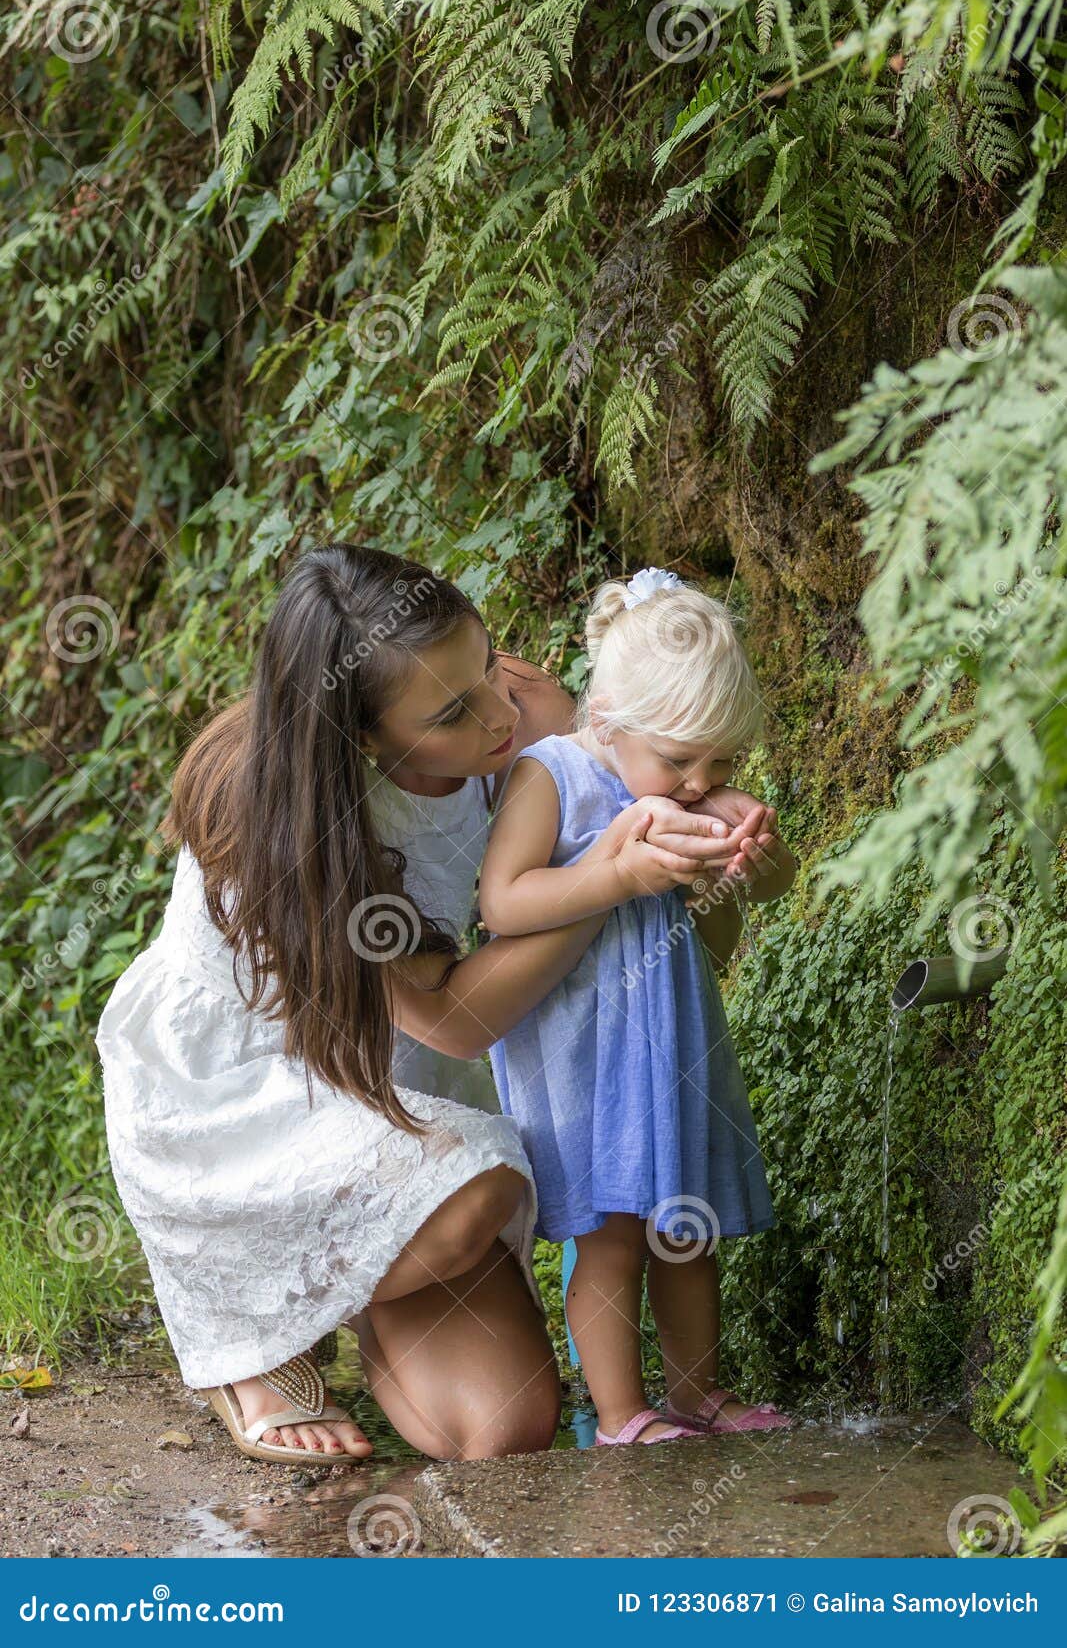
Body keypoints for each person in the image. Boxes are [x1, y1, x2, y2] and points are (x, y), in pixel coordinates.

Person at [95, 545, 746, 1466]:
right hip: (251, 1100)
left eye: (488, 668)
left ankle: (361, 1282)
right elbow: (456, 1020)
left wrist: (709, 815)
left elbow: (639, 780)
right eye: (451, 713)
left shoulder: (524, 708)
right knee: (475, 1190)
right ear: (361, 736)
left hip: (395, 1084)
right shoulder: (290, 831)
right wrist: (616, 876)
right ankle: (253, 1336)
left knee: (501, 1427)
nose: (501, 717)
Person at [481, 567, 796, 1445]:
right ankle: (621, 1412)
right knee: (613, 1235)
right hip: (581, 1049)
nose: (698, 783)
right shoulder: (554, 778)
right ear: (610, 722)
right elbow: (503, 903)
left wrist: (754, 859)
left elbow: (742, 915)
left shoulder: (690, 798)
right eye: (680, 759)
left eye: (721, 762)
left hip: (673, 1046)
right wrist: (616, 873)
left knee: (685, 1230)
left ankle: (700, 1394)